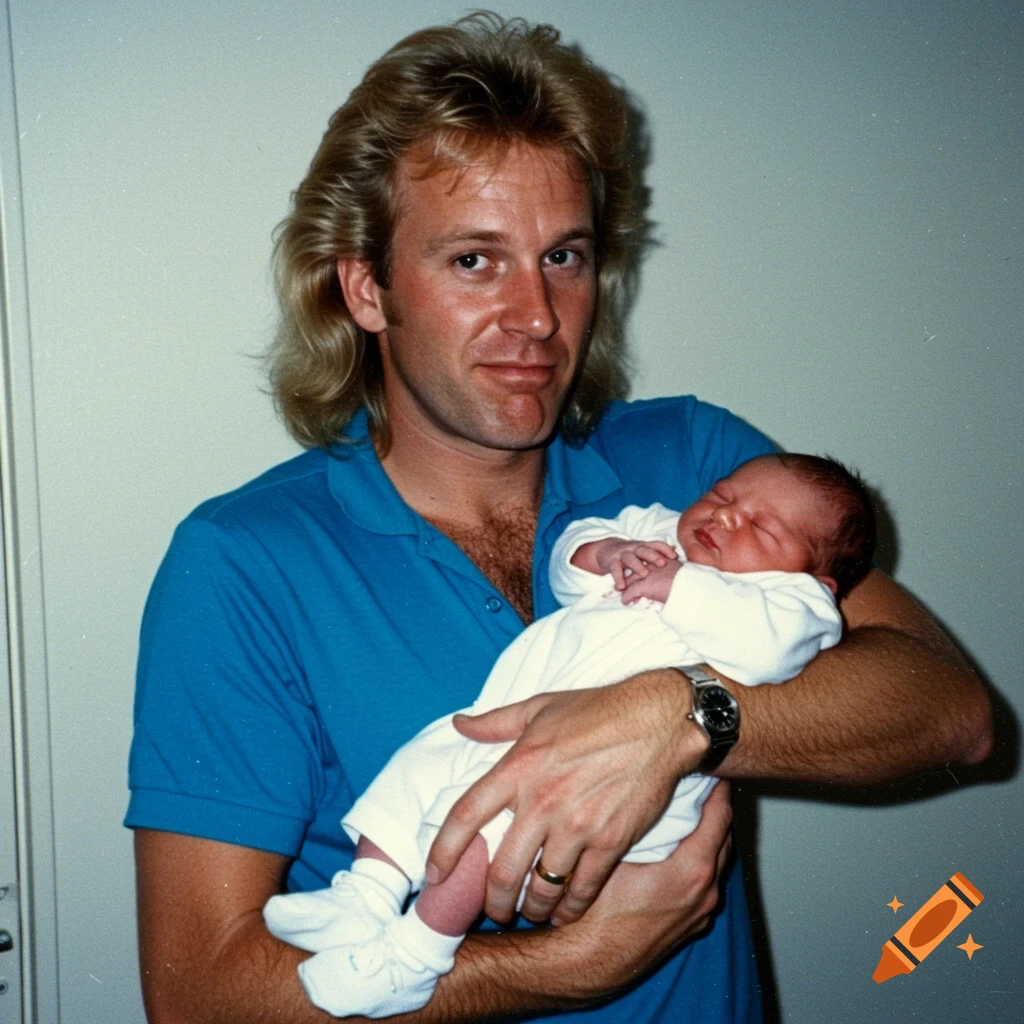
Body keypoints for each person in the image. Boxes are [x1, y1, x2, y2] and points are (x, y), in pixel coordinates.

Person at [127, 13, 991, 1024]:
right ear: (366, 288)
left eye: (564, 257)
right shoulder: (243, 564)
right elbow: (197, 997)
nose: (537, 315)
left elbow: (953, 712)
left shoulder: (700, 471)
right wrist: (569, 964)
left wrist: (678, 716)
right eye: (473, 261)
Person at [261, 453, 871, 1018]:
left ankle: (415, 954)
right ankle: (363, 897)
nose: (727, 516)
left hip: (617, 793)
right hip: (516, 720)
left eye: (762, 530)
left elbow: (768, 651)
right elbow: (568, 561)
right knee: (418, 768)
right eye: (721, 495)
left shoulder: (794, 601)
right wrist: (608, 554)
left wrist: (681, 589)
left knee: (482, 830)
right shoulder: (659, 530)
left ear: (820, 578)